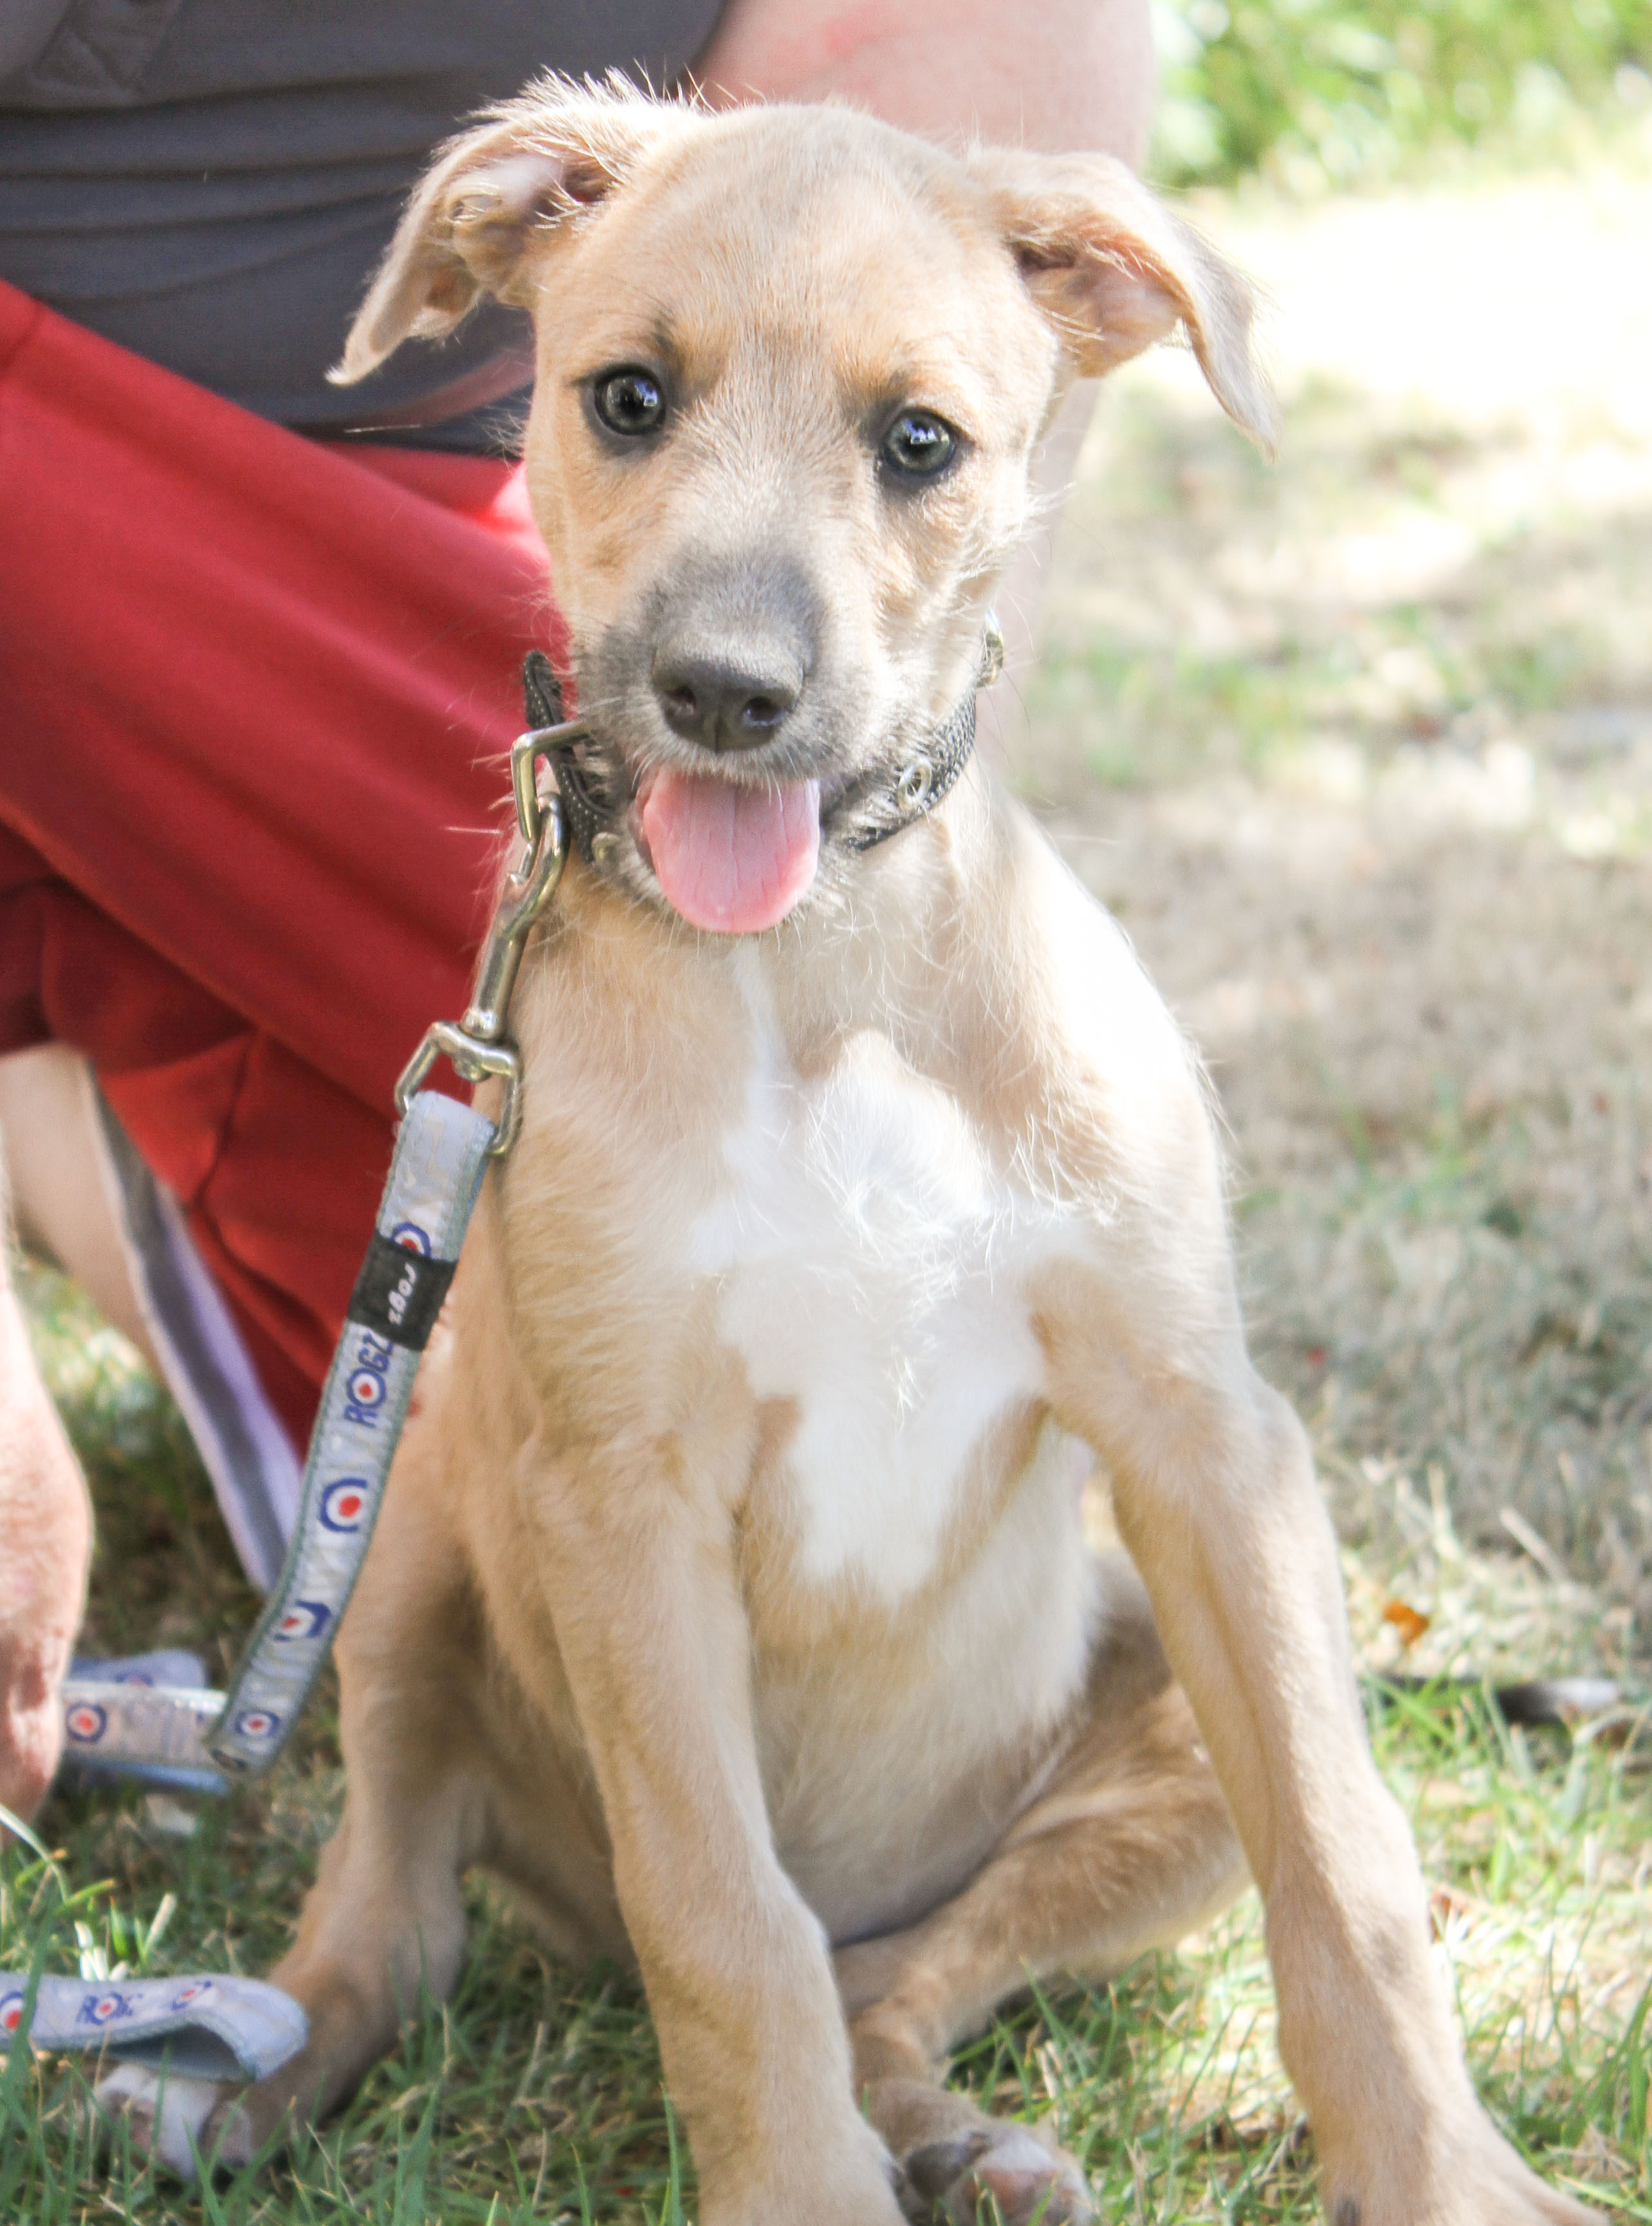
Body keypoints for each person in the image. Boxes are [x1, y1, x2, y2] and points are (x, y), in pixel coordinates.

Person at [0, 0, 1155, 1823]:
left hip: (496, 545)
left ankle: (107, 1082)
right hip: (72, 451)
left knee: (749, 1478)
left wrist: (879, 853)